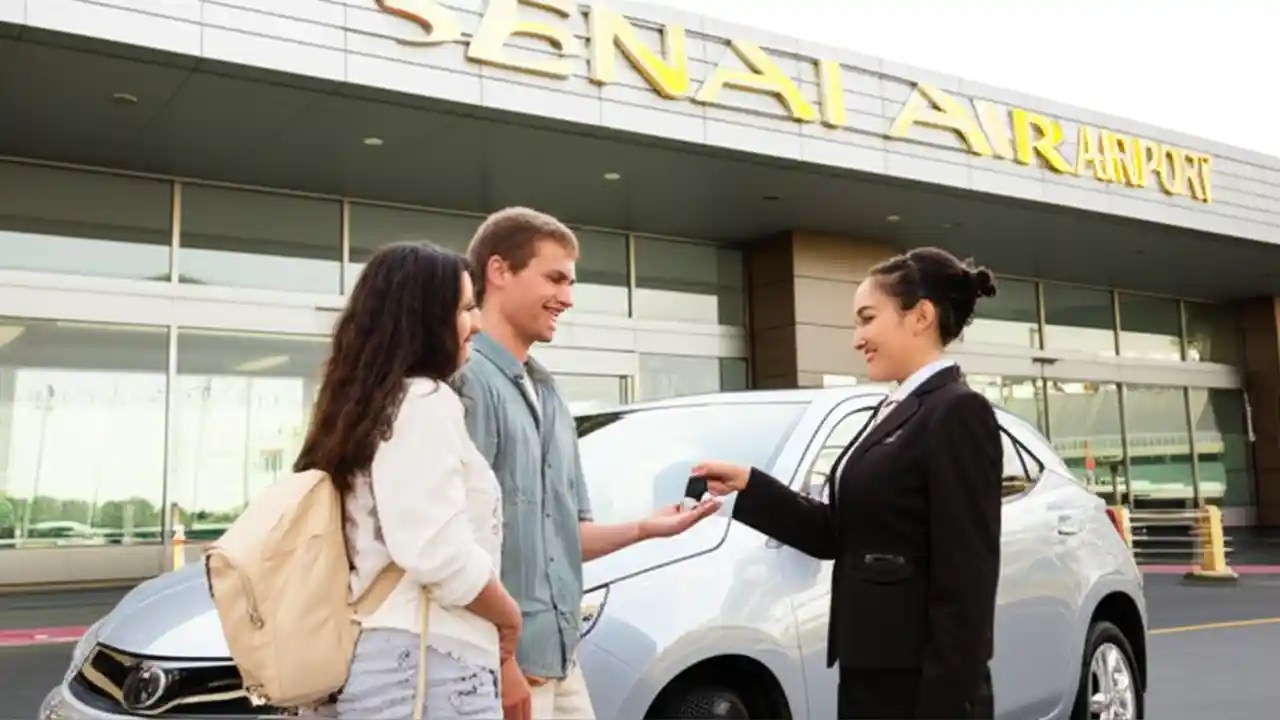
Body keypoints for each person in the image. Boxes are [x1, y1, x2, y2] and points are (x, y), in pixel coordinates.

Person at [692, 246, 1003, 719]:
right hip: (873, 675)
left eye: (867, 319)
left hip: (919, 688)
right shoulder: (894, 408)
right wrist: (751, 486)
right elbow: (837, 533)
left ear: (920, 316)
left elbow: (967, 578)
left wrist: (944, 703)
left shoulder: (957, 412)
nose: (858, 339)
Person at [455, 207, 721, 720]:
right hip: (497, 667)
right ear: (499, 271)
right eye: (554, 278)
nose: (568, 298)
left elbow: (565, 538)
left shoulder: (549, 392)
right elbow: (459, 543)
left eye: (571, 283)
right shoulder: (468, 384)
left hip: (559, 658)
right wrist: (505, 661)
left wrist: (647, 528)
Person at [294, 242, 526, 720]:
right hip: (429, 664)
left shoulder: (363, 408)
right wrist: (507, 617)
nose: (477, 324)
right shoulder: (423, 399)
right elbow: (435, 548)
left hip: (390, 657)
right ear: (423, 319)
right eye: (464, 309)